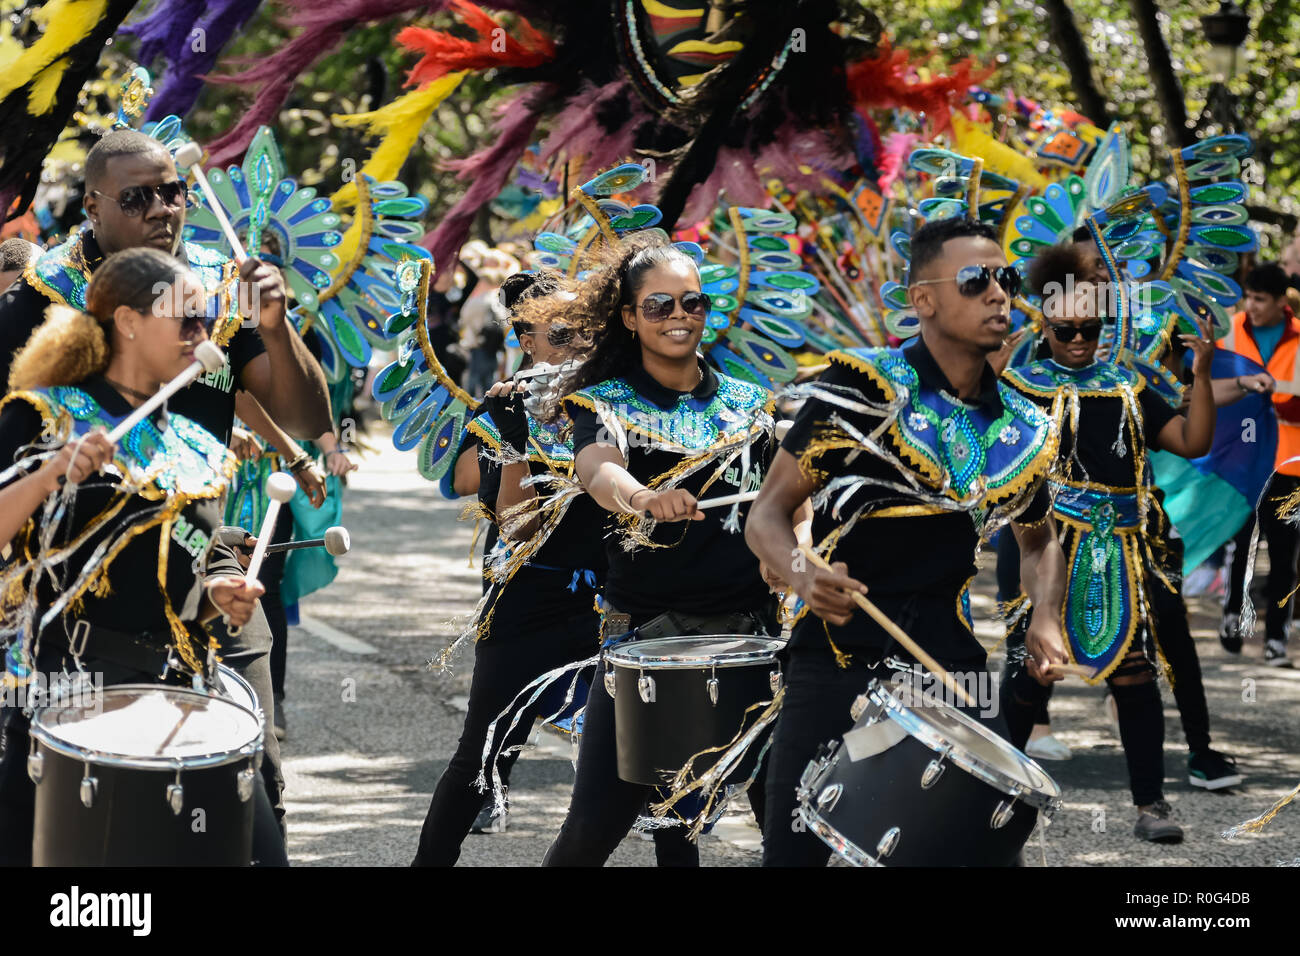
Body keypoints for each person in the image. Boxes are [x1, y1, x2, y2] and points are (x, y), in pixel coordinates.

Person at [0, 129, 333, 828]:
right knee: (70, 818)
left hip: (207, 571)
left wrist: (275, 328)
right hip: (80, 609)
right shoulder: (41, 300)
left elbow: (301, 413)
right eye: (137, 197)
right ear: (92, 207)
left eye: (172, 191)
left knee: (250, 794)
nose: (162, 208)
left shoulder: (217, 284)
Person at [744, 216, 1069, 867]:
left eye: (1005, 280)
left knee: (978, 851)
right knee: (793, 854)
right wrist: (804, 575)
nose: (1000, 295)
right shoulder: (861, 390)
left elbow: (1039, 541)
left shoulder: (1022, 427)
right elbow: (768, 516)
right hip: (837, 655)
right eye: (976, 281)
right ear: (923, 299)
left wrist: (1046, 614)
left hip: (947, 663)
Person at [0, 247, 287, 865]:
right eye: (185, 319)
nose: (201, 335)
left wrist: (219, 595)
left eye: (206, 321)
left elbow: (188, 571)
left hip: (184, 691)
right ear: (128, 321)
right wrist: (49, 474)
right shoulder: (47, 414)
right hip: (68, 693)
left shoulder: (188, 443)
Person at [538, 238, 779, 867]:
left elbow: (789, 504)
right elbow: (598, 470)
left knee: (791, 828)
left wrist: (800, 558)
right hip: (650, 643)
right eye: (659, 305)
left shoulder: (752, 406)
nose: (679, 315)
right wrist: (644, 496)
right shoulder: (607, 403)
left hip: (754, 640)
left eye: (692, 301)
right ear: (628, 318)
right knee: (593, 831)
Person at [1004, 242, 1220, 841]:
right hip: (1049, 544)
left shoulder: (1125, 387)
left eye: (1090, 328)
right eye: (1067, 328)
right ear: (1045, 324)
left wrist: (1198, 377)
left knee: (1134, 673)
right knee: (1035, 669)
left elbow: (1192, 439)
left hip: (1123, 551)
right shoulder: (1020, 388)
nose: (1079, 339)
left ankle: (1152, 807)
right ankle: (988, 792)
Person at [411, 271, 607, 865]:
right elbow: (517, 526)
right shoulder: (509, 407)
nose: (576, 341)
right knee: (486, 752)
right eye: (555, 331)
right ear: (528, 340)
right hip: (529, 606)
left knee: (655, 767)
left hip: (617, 609)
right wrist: (518, 442)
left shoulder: (626, 401)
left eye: (583, 327)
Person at [1216, 263, 1300, 666]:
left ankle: (1275, 639)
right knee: (1240, 542)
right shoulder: (1230, 328)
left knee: (1284, 555)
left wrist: (1276, 398)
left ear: (1282, 301)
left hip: (1289, 464)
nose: (1252, 306)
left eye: (1261, 299)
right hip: (1243, 459)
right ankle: (1233, 614)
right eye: (1249, 297)